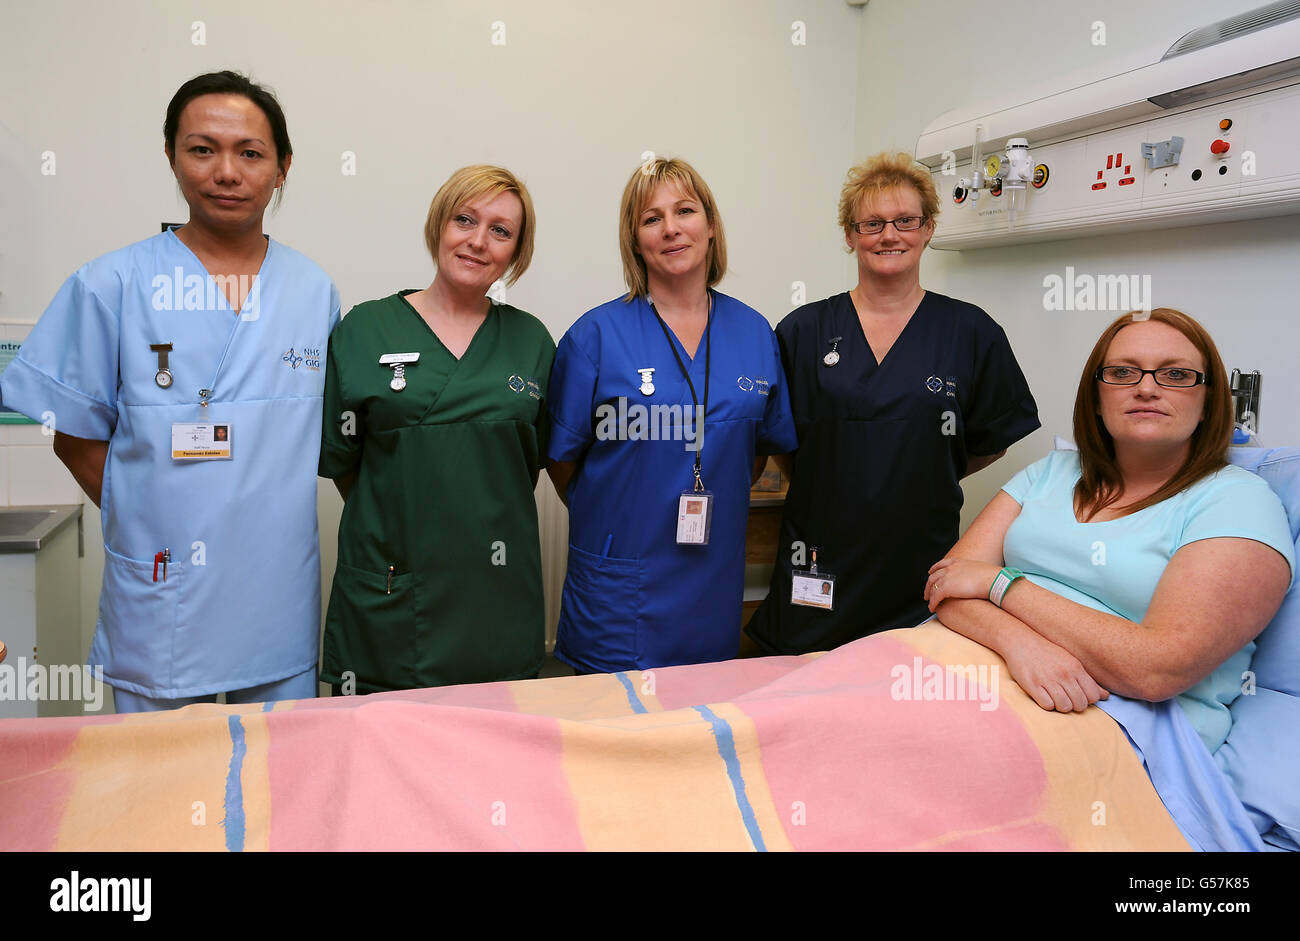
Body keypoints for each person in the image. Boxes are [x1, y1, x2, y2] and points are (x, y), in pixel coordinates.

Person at [0, 71, 339, 711]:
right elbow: (72, 436)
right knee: (154, 780)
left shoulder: (312, 291)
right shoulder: (112, 283)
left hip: (273, 589)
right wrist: (148, 515)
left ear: (282, 167)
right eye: (202, 149)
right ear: (172, 158)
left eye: (250, 152)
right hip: (164, 582)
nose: (226, 172)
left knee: (274, 775)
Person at [924, 308, 1293, 753]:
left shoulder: (1237, 501)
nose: (1146, 388)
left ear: (1209, 402)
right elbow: (947, 586)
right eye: (1123, 372)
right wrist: (1019, 644)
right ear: (1097, 398)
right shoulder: (1051, 473)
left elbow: (1155, 670)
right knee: (827, 705)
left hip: (1109, 716)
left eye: (1175, 375)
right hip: (969, 664)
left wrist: (1001, 584)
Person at [746, 152, 1039, 656]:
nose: (890, 235)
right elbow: (779, 437)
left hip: (917, 556)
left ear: (927, 229)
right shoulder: (803, 331)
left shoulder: (970, 332)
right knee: (803, 693)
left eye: (906, 220)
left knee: (906, 689)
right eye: (872, 223)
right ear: (850, 235)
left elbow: (989, 441)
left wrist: (919, 472)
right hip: (819, 552)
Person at [546, 157, 798, 674]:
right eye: (650, 218)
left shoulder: (754, 333)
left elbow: (757, 451)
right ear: (635, 239)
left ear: (710, 225)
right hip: (620, 591)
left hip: (710, 581)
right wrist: (616, 519)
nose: (671, 228)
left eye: (684, 210)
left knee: (703, 731)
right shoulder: (595, 336)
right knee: (612, 740)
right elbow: (563, 463)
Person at [318, 165, 554, 693]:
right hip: (392, 596)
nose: (477, 241)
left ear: (516, 251)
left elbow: (526, 464)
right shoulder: (364, 329)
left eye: (500, 230)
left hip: (495, 598)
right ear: (438, 226)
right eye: (464, 219)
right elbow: (345, 464)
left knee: (491, 759)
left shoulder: (531, 341)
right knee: (381, 757)